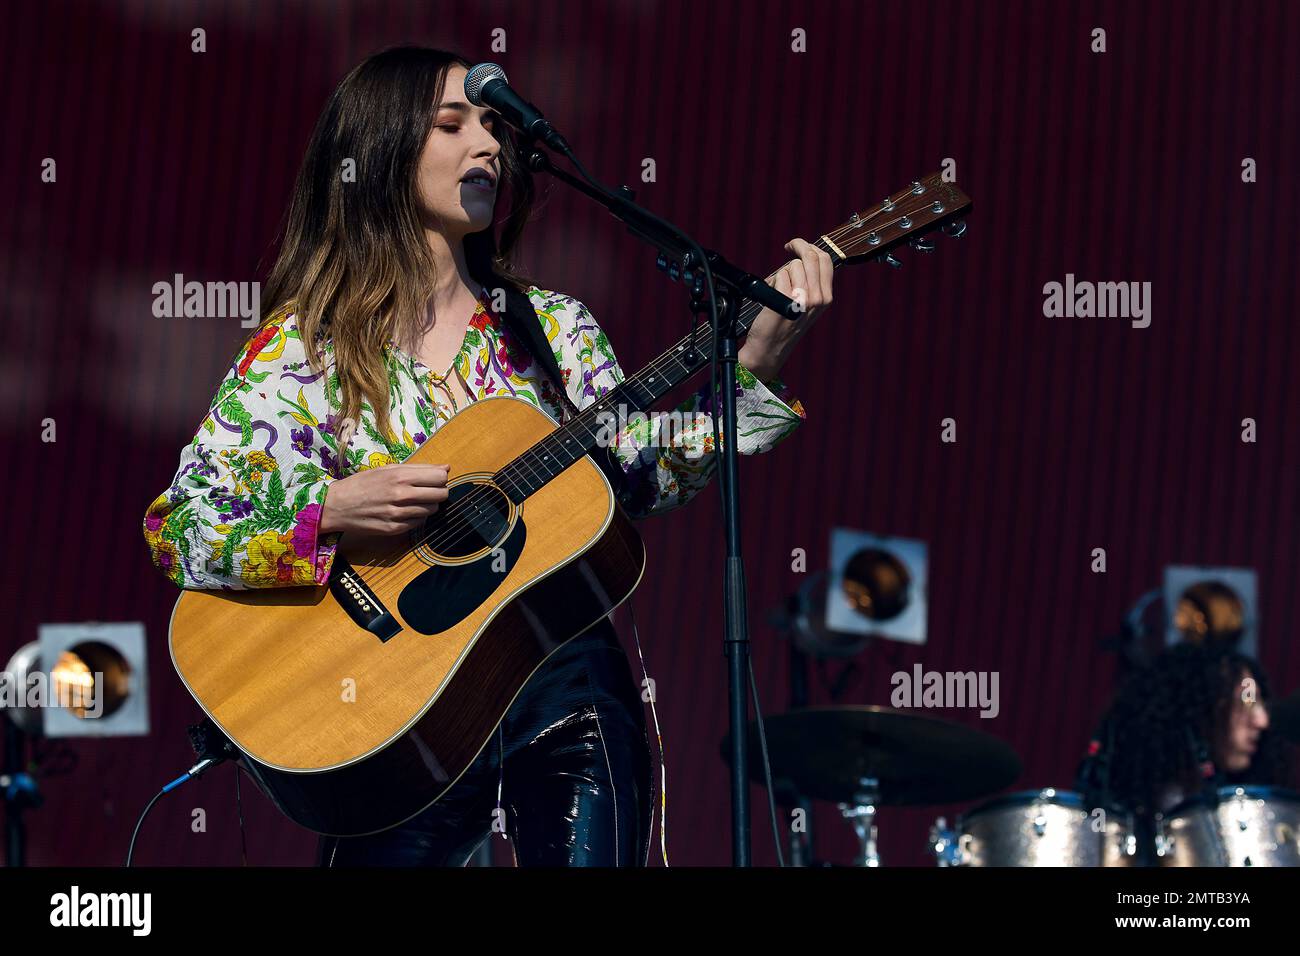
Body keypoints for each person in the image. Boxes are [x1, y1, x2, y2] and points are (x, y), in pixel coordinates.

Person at [141, 46, 834, 866]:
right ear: (381, 147)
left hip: (562, 689)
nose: (490, 146)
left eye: (496, 127)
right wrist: (329, 513)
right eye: (452, 123)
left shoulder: (550, 327)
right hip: (389, 707)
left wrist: (749, 368)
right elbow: (180, 528)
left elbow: (638, 470)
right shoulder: (304, 352)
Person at [1081, 641, 1290, 862]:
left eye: (1260, 704)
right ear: (1199, 710)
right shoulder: (1118, 820)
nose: (1262, 721)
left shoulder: (1247, 816)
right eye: (1245, 701)